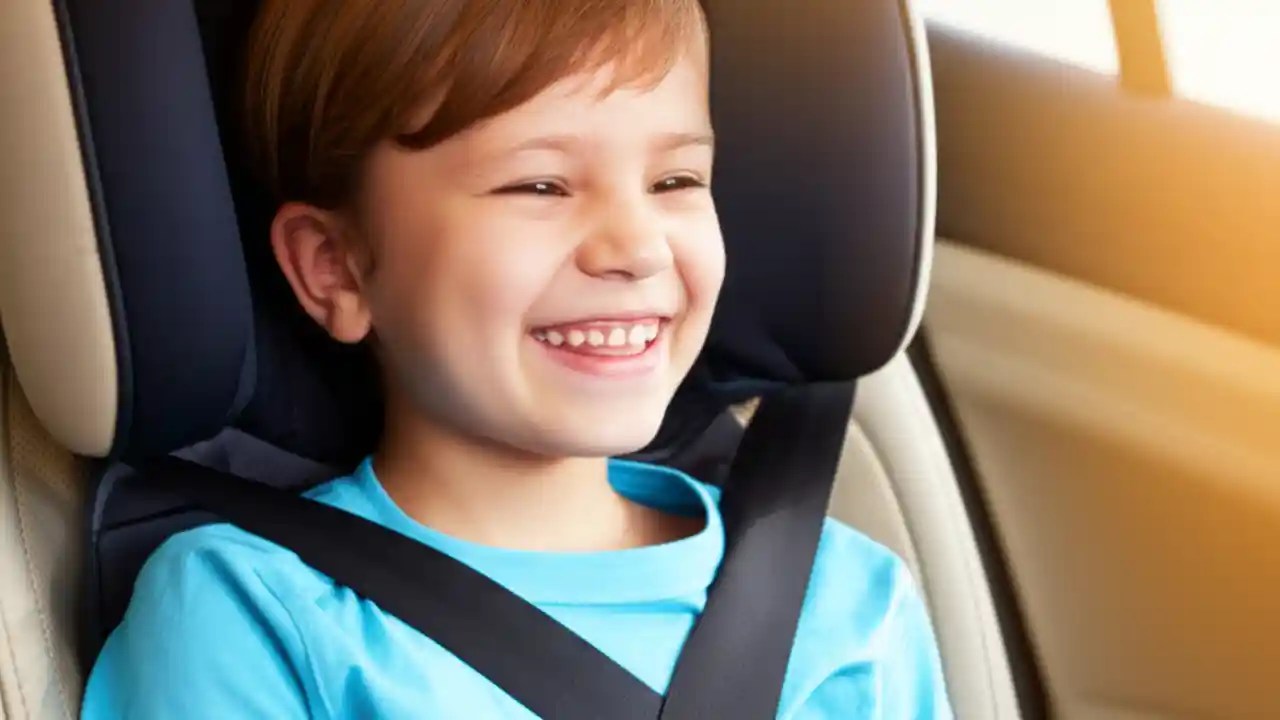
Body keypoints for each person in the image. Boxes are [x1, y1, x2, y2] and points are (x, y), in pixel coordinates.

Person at [81, 1, 953, 717]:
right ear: (335, 268)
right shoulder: (253, 614)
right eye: (539, 185)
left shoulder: (846, 605)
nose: (635, 246)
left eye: (675, 182)